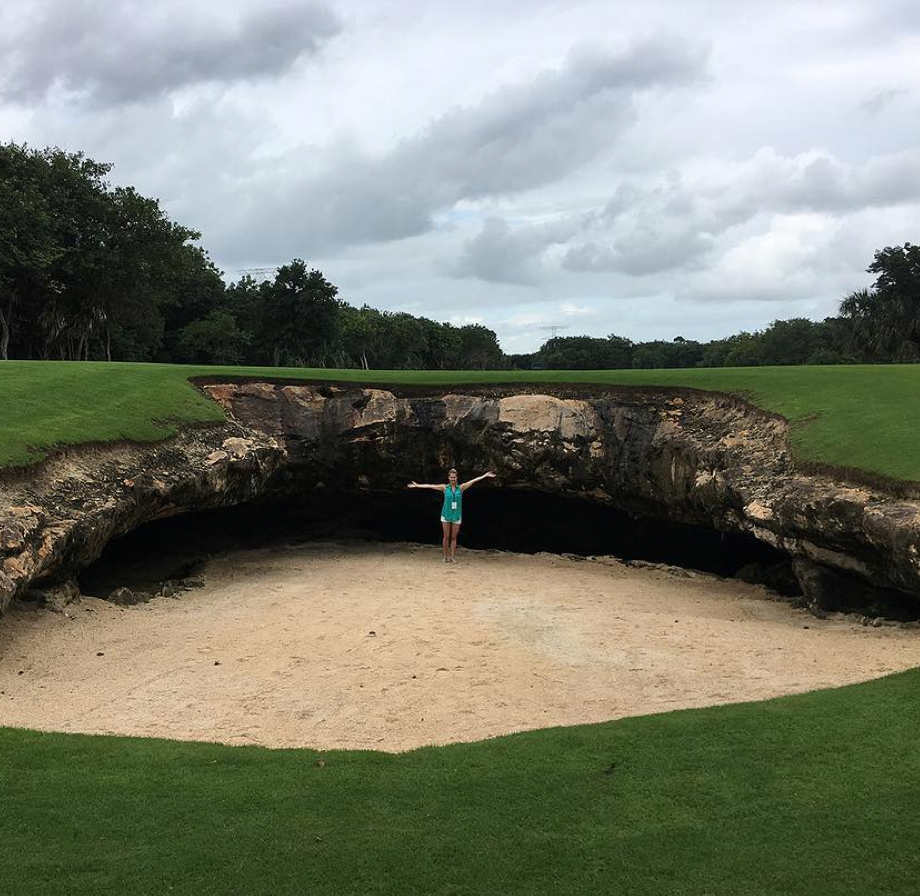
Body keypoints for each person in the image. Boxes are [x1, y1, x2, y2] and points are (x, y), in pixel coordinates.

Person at [407, 468, 496, 562]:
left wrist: (485, 475)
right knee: (446, 536)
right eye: (451, 477)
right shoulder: (444, 487)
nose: (453, 479)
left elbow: (473, 480)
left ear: (457, 478)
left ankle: (452, 557)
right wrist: (417, 485)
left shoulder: (461, 488)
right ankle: (445, 557)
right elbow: (430, 486)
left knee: (454, 537)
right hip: (446, 514)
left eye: (454, 477)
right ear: (448, 478)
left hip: (456, 515)